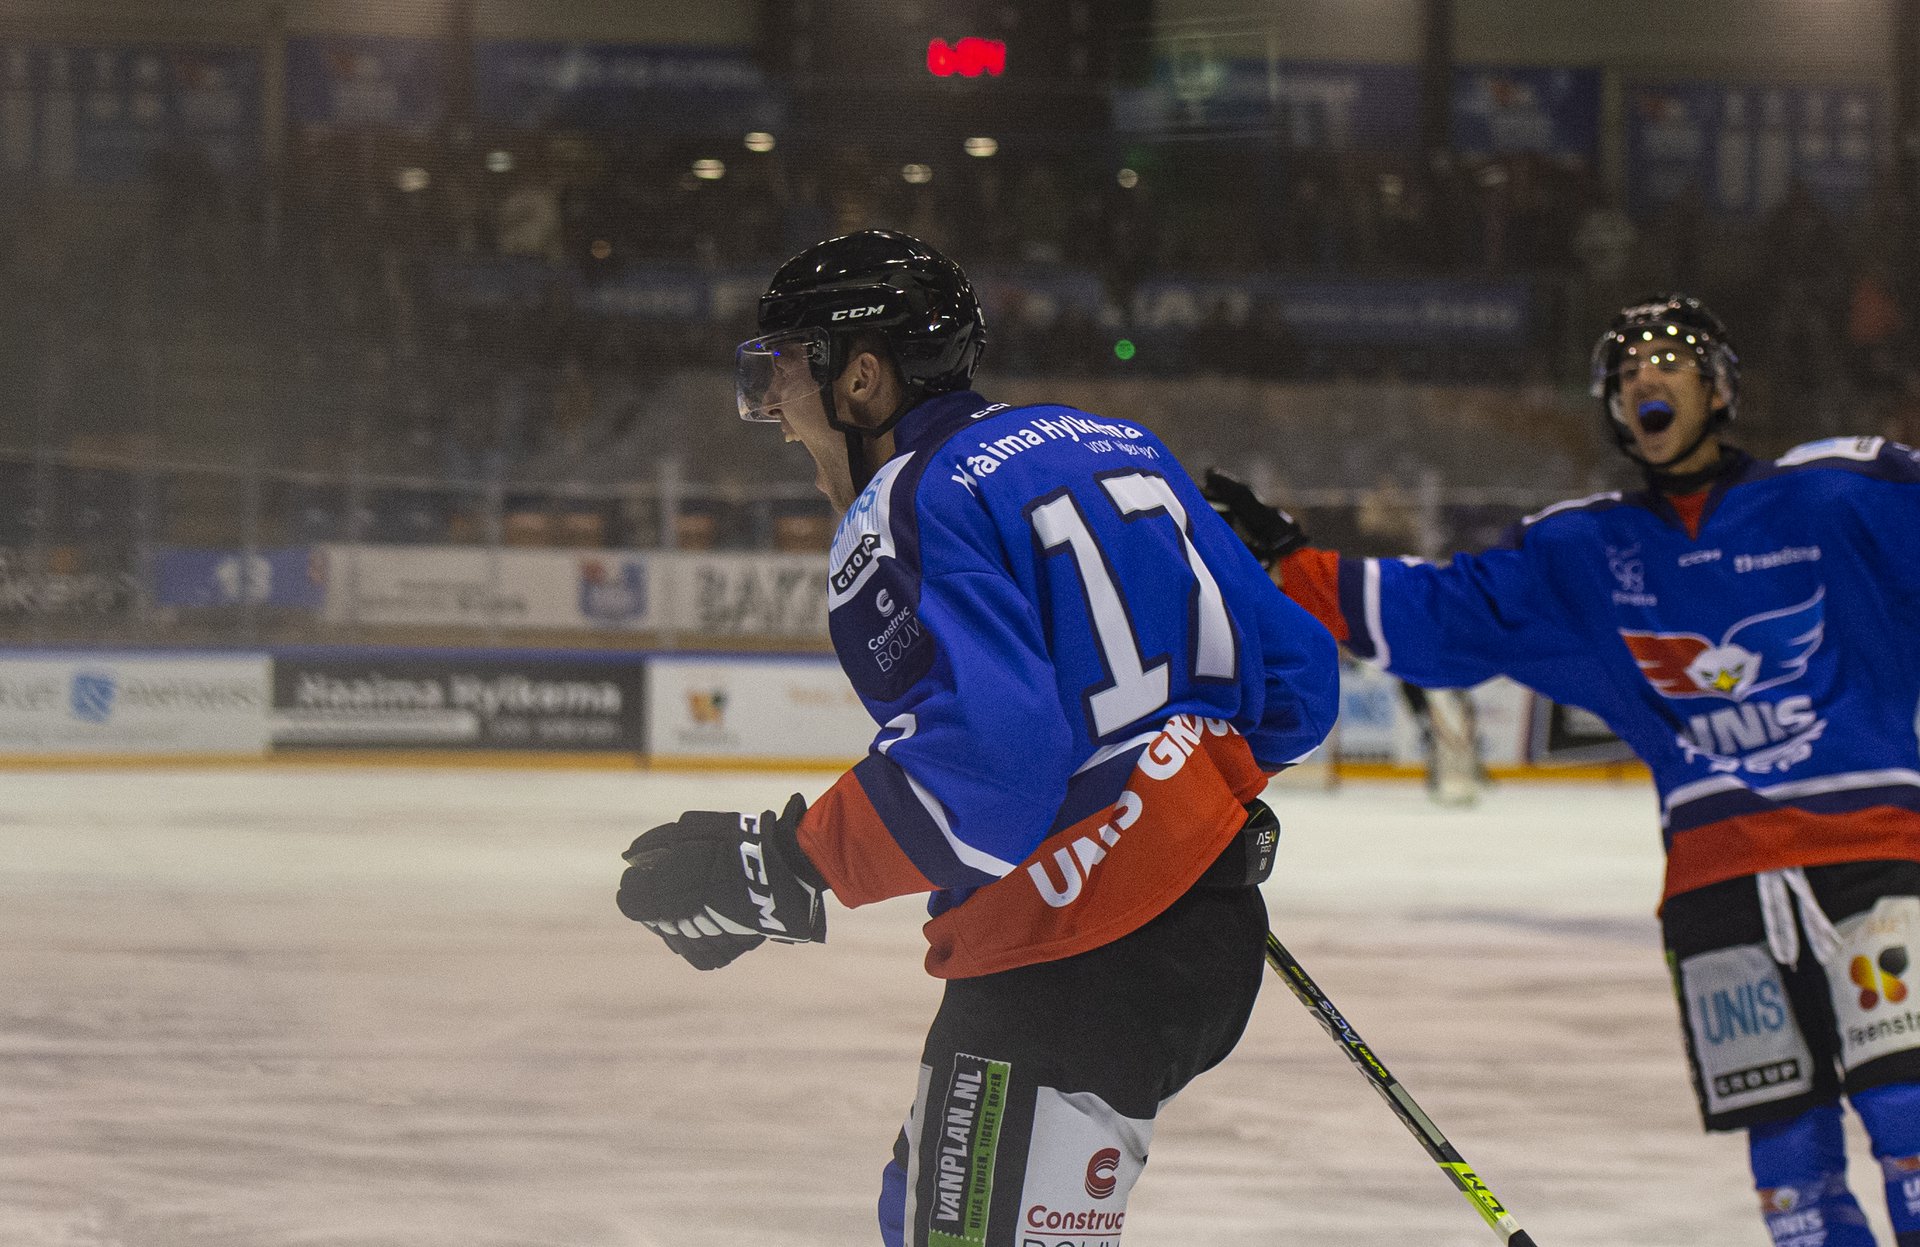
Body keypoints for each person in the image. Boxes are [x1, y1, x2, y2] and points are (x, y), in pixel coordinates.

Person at [614, 230, 1339, 1246]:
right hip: (1205, 937)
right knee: (929, 1213)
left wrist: (790, 861)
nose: (771, 404)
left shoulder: (904, 505)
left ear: (860, 376)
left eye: (783, 368)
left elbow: (993, 771)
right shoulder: (1115, 439)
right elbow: (1300, 681)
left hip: (1068, 961)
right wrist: (1183, 809)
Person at [1204, 293, 1920, 1247]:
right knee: (1789, 1168)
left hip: (1874, 861)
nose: (1644, 381)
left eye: (1667, 361)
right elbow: (1447, 608)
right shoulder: (1587, 550)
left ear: (1719, 387)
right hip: (1719, 888)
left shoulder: (1843, 494)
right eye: (1625, 374)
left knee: (1911, 1127)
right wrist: (1294, 561)